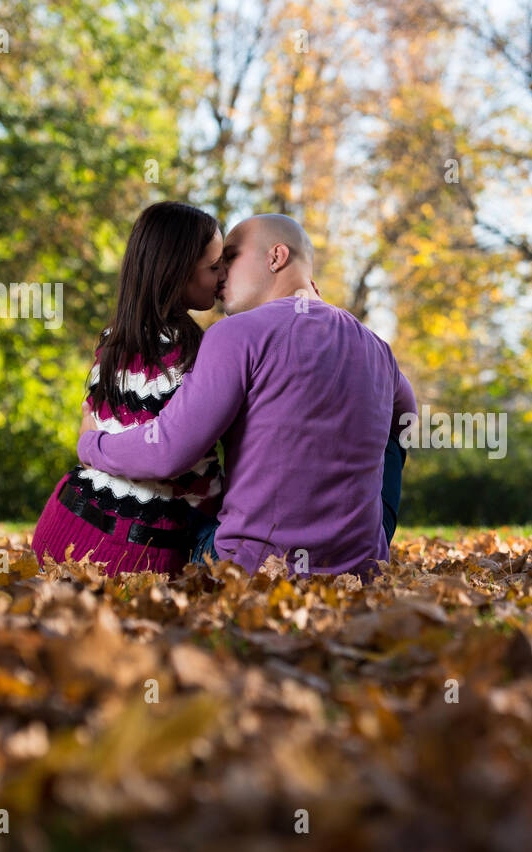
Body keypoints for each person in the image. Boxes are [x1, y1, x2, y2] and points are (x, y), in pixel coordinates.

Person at [77, 213, 416, 579]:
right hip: (360, 573)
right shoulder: (376, 348)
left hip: (247, 571)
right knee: (389, 441)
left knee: (155, 499)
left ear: (276, 257)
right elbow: (405, 422)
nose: (220, 275)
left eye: (231, 258)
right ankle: (369, 542)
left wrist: (91, 445)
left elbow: (168, 453)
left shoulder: (235, 334)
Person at [30, 201, 226, 576]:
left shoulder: (111, 340)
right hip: (130, 547)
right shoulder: (192, 351)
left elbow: (94, 423)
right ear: (179, 271)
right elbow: (191, 469)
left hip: (62, 521)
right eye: (214, 267)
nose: (222, 276)